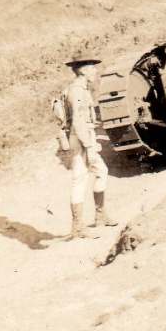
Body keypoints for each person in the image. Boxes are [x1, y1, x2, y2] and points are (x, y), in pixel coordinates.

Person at [53, 54, 117, 239]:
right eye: (92, 67)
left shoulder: (80, 89)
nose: (95, 71)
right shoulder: (77, 91)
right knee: (79, 178)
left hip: (82, 136)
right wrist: (89, 146)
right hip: (79, 138)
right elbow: (79, 122)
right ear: (83, 70)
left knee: (101, 171)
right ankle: (78, 227)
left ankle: (100, 215)